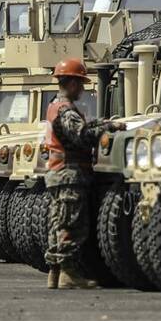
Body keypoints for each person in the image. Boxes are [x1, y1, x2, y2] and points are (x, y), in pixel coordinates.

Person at [42, 58, 125, 289]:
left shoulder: (54, 106)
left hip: (58, 172)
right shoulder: (66, 110)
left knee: (58, 222)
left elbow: (81, 126)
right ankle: (68, 275)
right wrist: (109, 128)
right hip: (70, 173)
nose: (82, 89)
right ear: (71, 84)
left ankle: (55, 273)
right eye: (80, 84)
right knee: (72, 224)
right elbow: (82, 135)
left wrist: (102, 122)